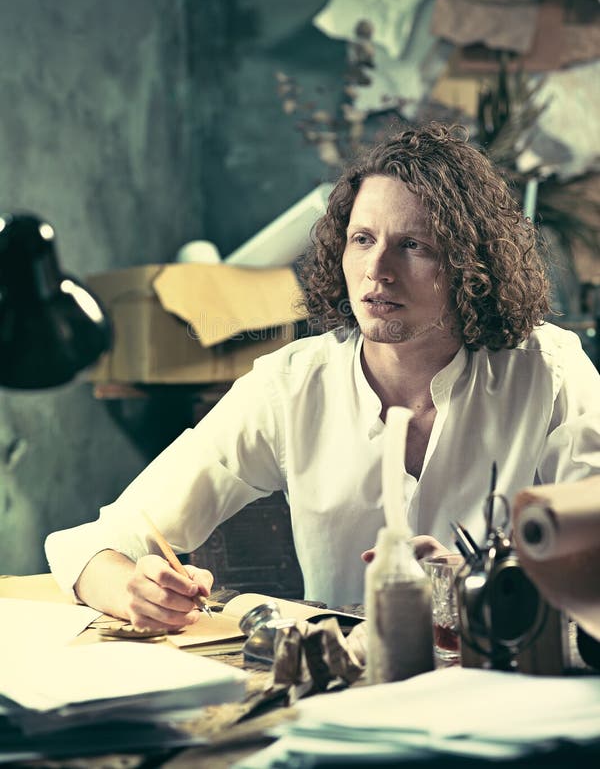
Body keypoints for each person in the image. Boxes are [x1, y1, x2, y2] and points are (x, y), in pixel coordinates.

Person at [45, 123, 600, 633]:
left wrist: (486, 578)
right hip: (347, 685)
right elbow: (94, 544)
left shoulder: (549, 372)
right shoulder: (290, 386)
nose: (377, 270)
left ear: (469, 263)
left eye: (413, 245)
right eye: (363, 239)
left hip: (511, 674)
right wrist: (133, 590)